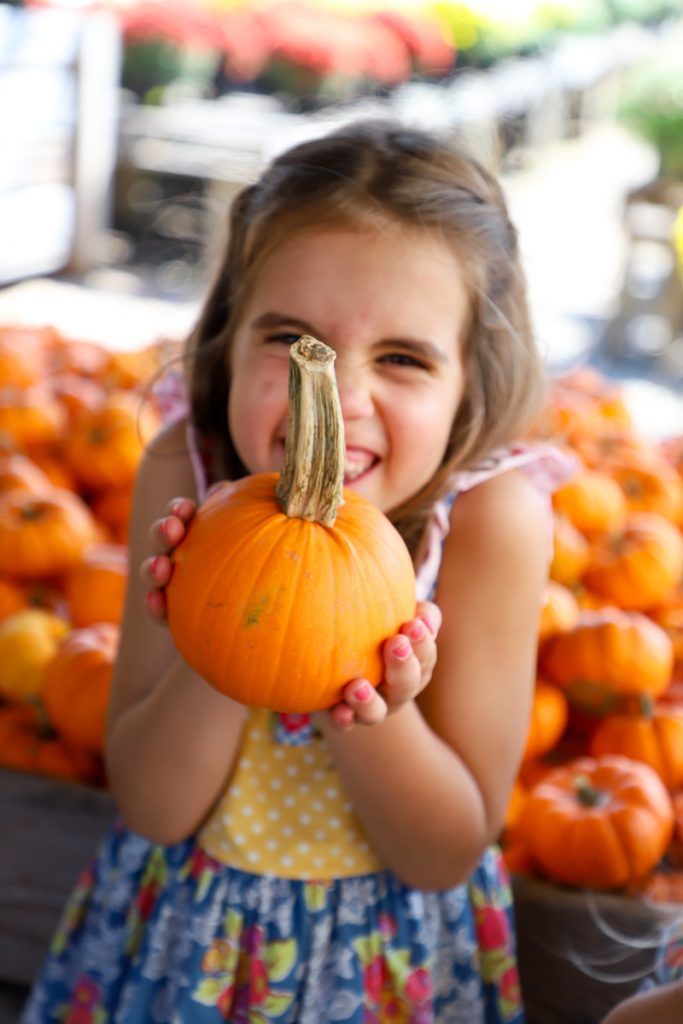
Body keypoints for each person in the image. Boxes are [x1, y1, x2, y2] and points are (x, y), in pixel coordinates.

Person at [21, 117, 574, 1023]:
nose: (342, 399)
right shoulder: (187, 475)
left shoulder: (490, 520)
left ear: (471, 379)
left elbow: (441, 853)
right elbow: (155, 806)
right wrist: (217, 629)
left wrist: (362, 695)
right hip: (180, 947)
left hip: (377, 969)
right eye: (290, 342)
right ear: (227, 339)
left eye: (401, 358)